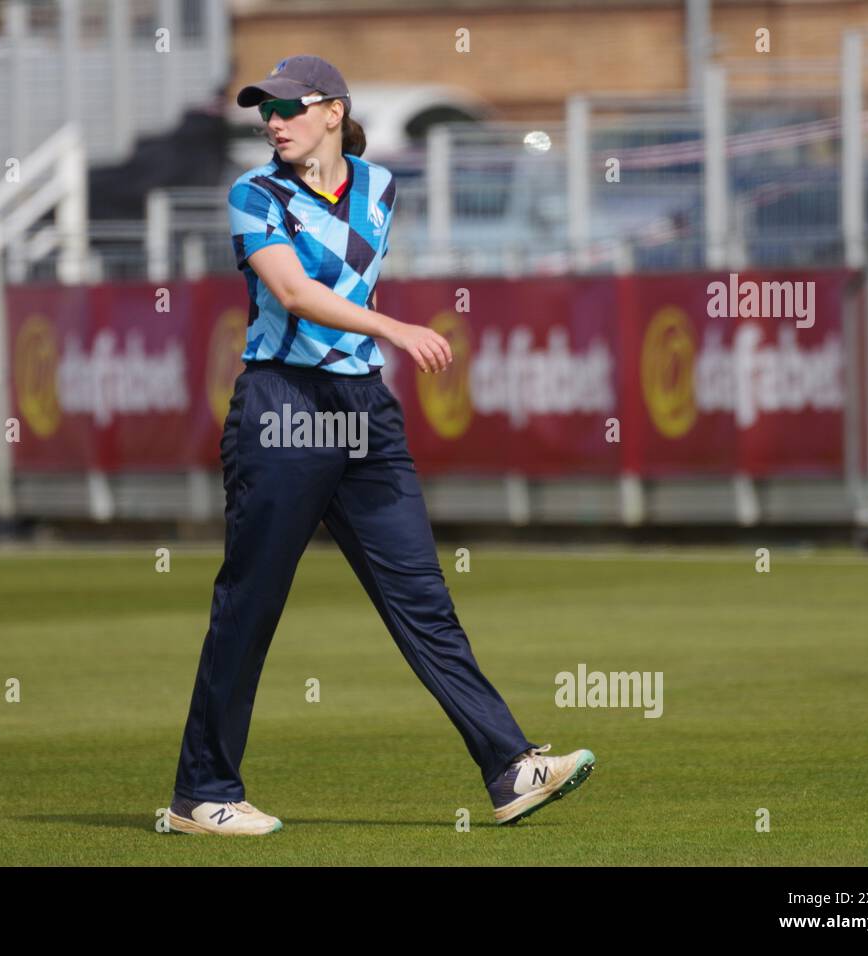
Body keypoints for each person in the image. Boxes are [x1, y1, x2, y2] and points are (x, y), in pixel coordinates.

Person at [166, 55, 594, 836]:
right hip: (283, 407)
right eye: (266, 110)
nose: (274, 121)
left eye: (290, 108)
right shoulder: (253, 193)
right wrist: (395, 329)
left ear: (333, 111)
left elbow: (341, 279)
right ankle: (202, 792)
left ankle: (509, 767)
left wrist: (376, 348)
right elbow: (294, 293)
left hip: (363, 410)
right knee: (252, 604)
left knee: (423, 600)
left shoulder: (380, 185)